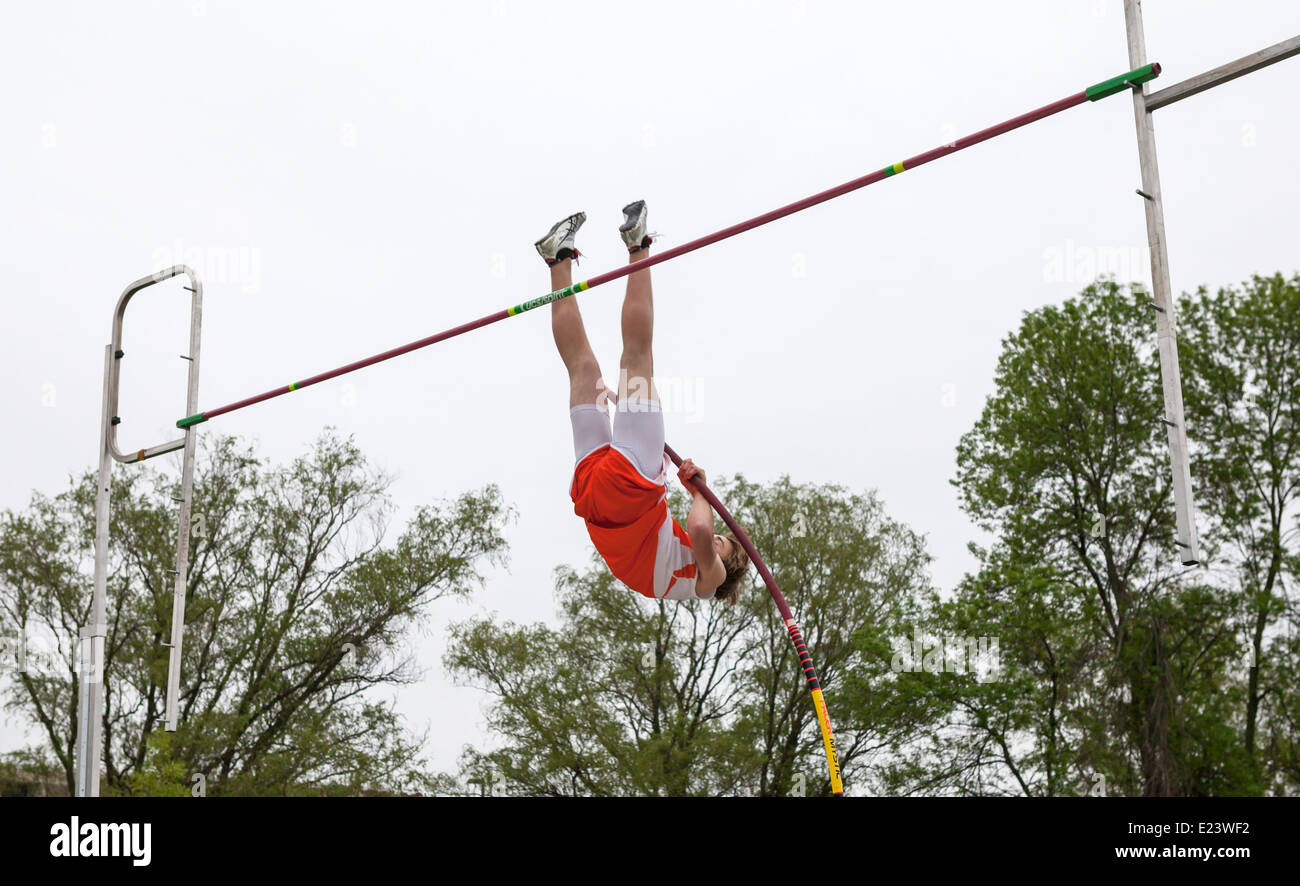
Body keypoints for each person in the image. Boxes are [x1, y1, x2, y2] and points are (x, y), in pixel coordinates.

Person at [537, 201, 749, 603]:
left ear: (731, 563)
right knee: (582, 368)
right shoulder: (677, 582)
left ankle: (639, 246)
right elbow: (689, 535)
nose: (715, 538)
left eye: (726, 542)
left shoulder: (709, 580)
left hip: (630, 491)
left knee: (636, 356)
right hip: (593, 496)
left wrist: (698, 490)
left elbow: (702, 531)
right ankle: (558, 258)